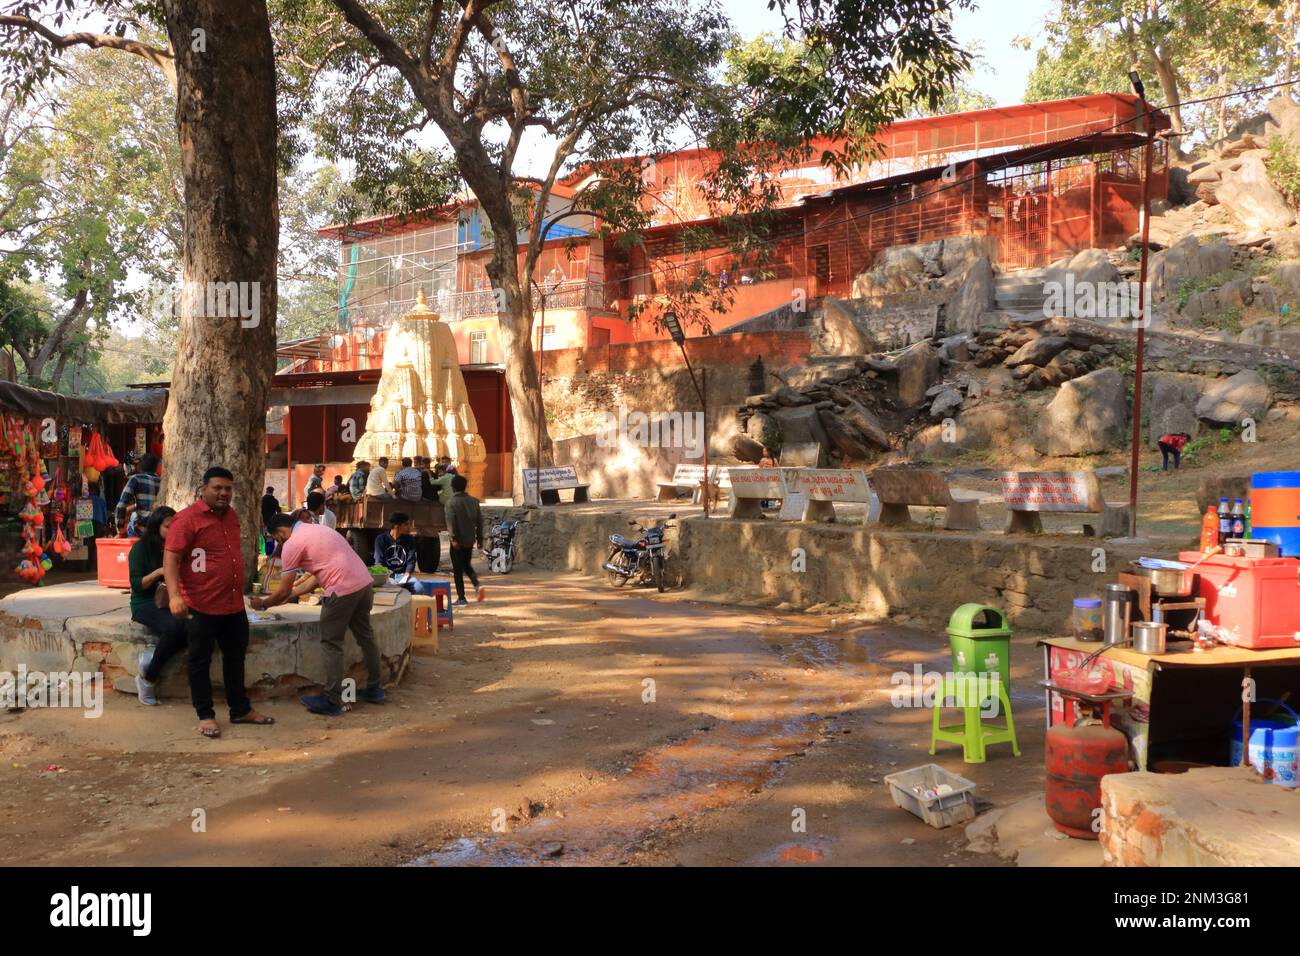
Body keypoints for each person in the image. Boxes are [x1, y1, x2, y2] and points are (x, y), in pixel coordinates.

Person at [163, 466, 275, 738]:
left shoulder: (233, 516)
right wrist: (175, 596)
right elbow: (171, 559)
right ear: (203, 489)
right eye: (217, 488)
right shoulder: (186, 520)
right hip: (200, 604)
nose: (224, 493)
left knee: (235, 658)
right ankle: (205, 715)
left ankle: (240, 710)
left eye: (228, 489)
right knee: (199, 660)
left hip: (233, 604)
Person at [252, 515, 386, 716]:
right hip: (364, 584)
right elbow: (317, 575)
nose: (279, 543)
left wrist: (263, 604)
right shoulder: (317, 530)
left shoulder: (292, 544)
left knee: (331, 643)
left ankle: (333, 699)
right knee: (366, 636)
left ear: (280, 532)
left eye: (278, 539)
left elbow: (282, 590)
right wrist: (294, 593)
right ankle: (375, 688)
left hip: (341, 591)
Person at [130, 507, 186, 706]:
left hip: (174, 598)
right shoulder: (140, 549)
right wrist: (159, 572)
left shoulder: (181, 547)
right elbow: (136, 585)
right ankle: (148, 680)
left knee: (197, 627)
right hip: (145, 603)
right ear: (156, 527)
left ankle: (151, 657)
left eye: (175, 527)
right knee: (175, 627)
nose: (172, 531)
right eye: (167, 527)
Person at [445, 474, 485, 606]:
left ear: (452, 487)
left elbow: (451, 522)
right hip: (469, 539)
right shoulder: (474, 501)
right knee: (466, 565)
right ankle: (477, 585)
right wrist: (480, 538)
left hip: (457, 540)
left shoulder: (451, 502)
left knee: (457, 569)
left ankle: (461, 598)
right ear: (465, 486)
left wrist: (453, 538)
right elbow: (480, 521)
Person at [115, 453, 161, 537]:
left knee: (133, 518)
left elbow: (121, 505)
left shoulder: (135, 479)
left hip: (140, 530)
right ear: (156, 467)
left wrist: (120, 529)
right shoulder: (161, 481)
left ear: (140, 466)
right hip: (158, 530)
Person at [373, 512, 416, 578]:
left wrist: (407, 574)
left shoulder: (410, 539)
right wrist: (385, 576)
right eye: (406, 524)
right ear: (397, 526)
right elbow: (379, 562)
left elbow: (411, 561)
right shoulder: (381, 539)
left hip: (404, 575)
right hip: (387, 576)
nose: (409, 527)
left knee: (419, 588)